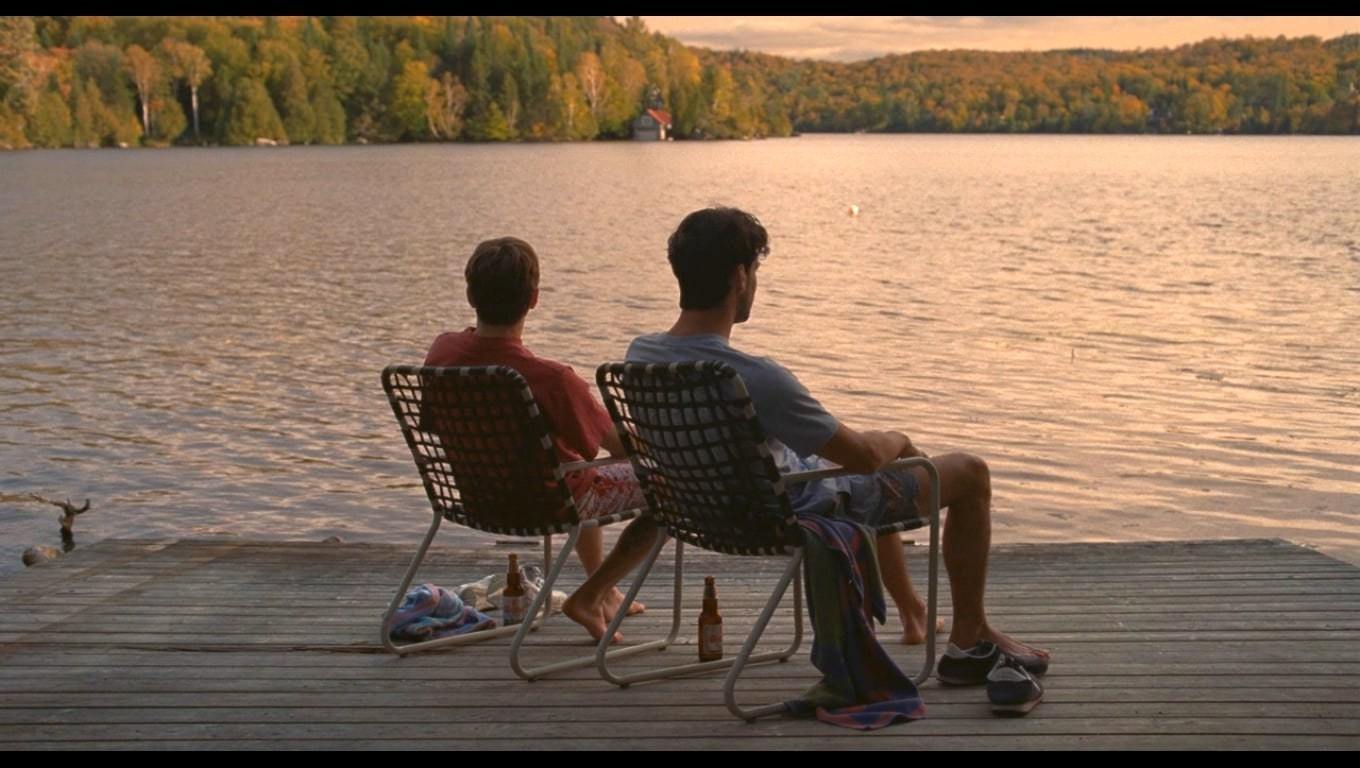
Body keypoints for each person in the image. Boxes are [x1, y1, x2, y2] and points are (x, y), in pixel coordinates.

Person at [575, 207, 1050, 683]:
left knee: (854, 462)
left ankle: (914, 613)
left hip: (700, 510)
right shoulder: (755, 376)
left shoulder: (639, 356)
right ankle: (969, 636)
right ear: (740, 277)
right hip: (789, 511)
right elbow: (863, 457)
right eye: (755, 271)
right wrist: (899, 439)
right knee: (968, 471)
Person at [424, 236, 653, 642]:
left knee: (572, 468)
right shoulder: (551, 378)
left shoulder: (442, 353)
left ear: (470, 295)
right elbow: (619, 447)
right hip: (547, 503)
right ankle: (593, 594)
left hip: (476, 497)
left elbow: (430, 422)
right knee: (669, 483)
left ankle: (606, 594)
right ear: (533, 299)